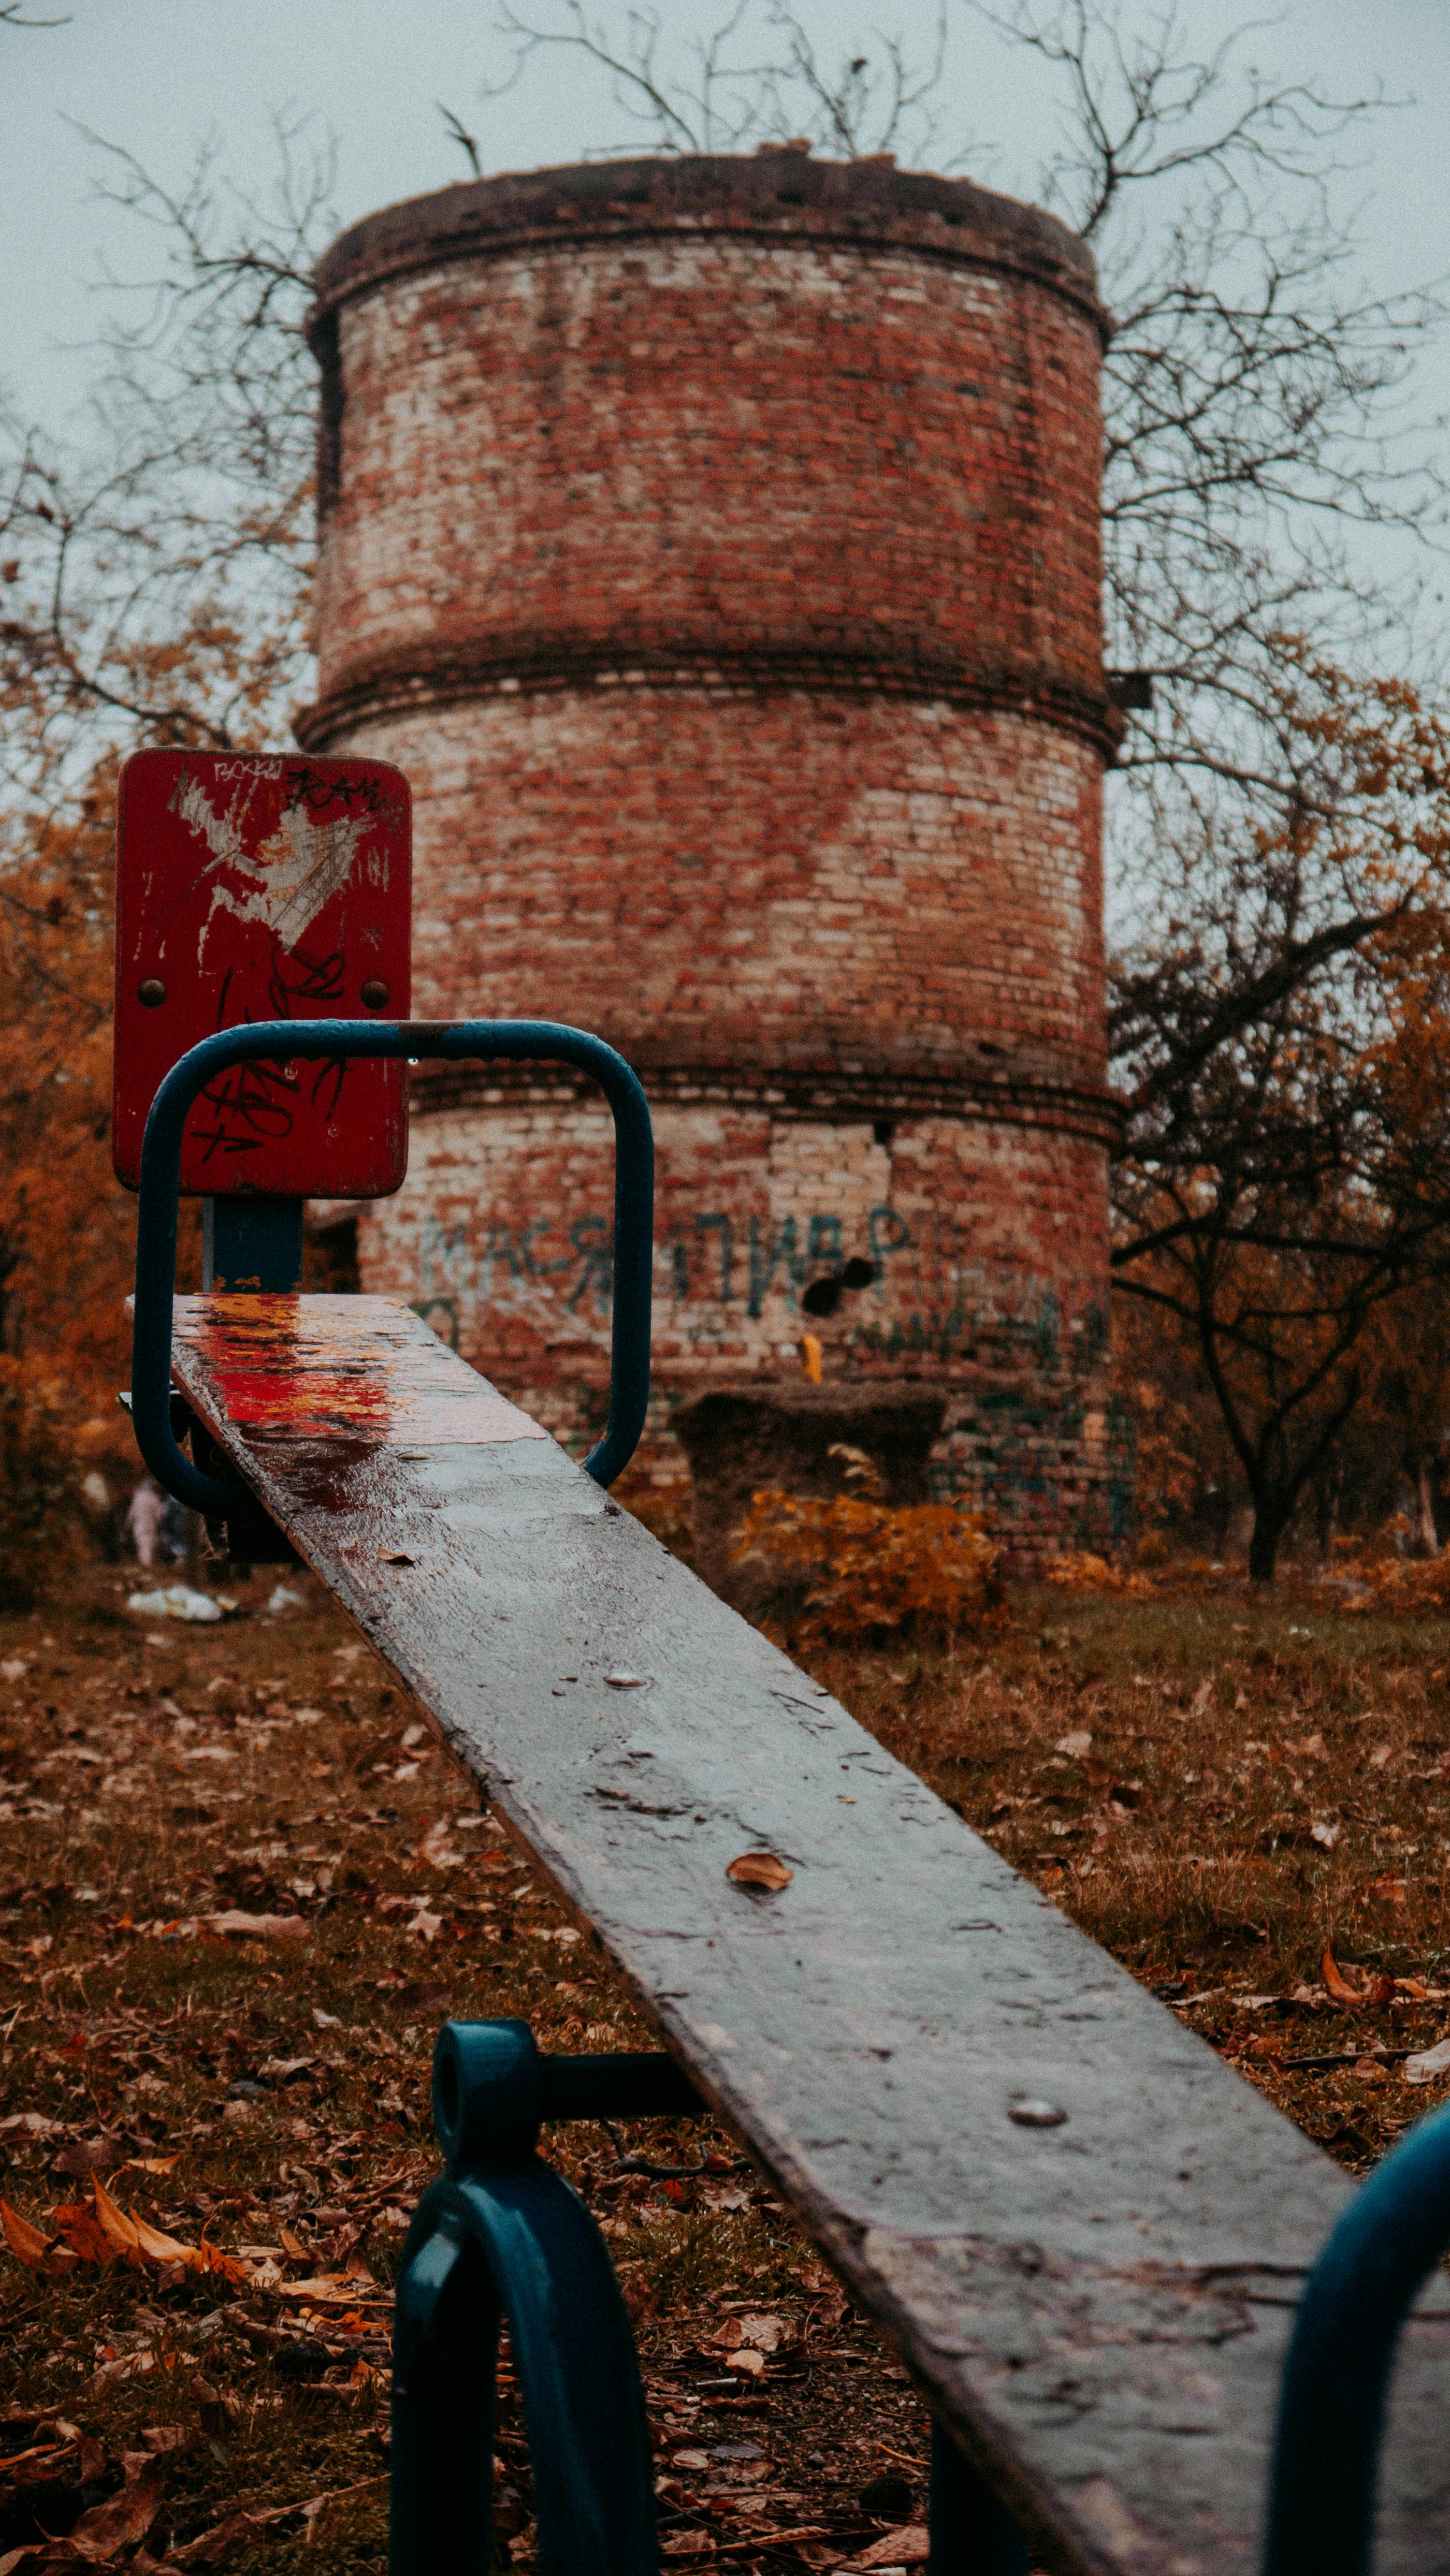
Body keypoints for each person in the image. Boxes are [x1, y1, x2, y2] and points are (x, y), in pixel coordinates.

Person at [126, 1477, 165, 1569]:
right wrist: (162, 1525)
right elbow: (159, 1515)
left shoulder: (137, 1497)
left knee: (142, 1545)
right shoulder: (154, 1498)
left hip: (139, 1525)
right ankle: (147, 1566)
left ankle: (145, 1565)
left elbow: (131, 1513)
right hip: (150, 1524)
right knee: (149, 1545)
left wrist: (128, 1525)